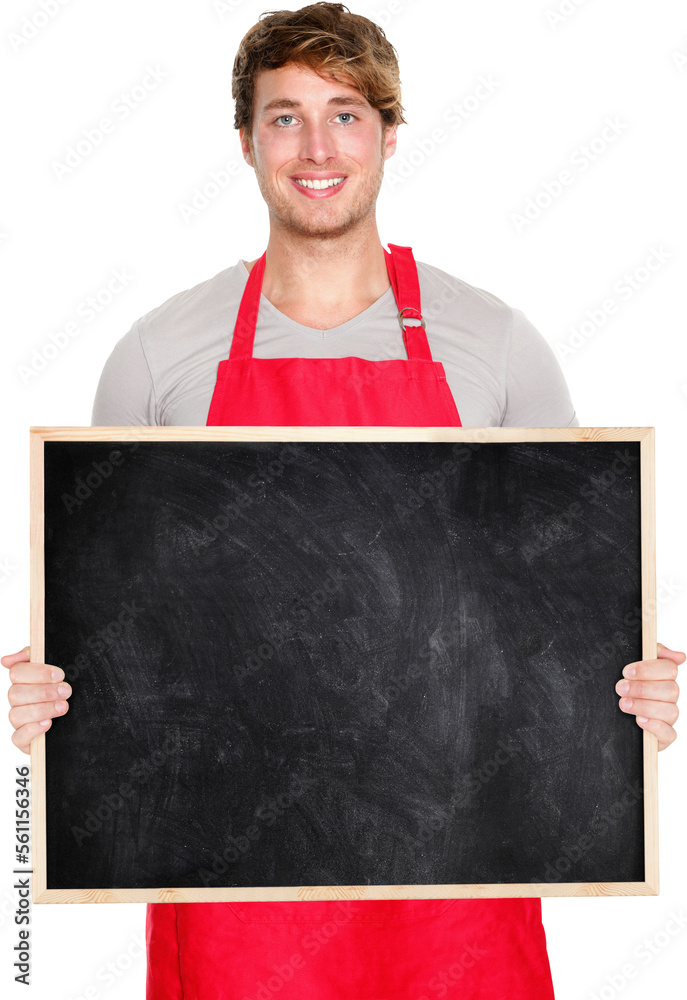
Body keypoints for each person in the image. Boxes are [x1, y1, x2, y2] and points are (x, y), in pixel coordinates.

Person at [3, 3, 683, 998]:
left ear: (390, 135)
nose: (316, 147)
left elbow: (567, 615)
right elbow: (113, 641)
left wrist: (633, 699)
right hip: (234, 897)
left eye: (347, 114)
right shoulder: (158, 360)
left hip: (461, 885)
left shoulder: (493, 345)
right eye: (285, 117)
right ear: (244, 141)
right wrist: (52, 700)